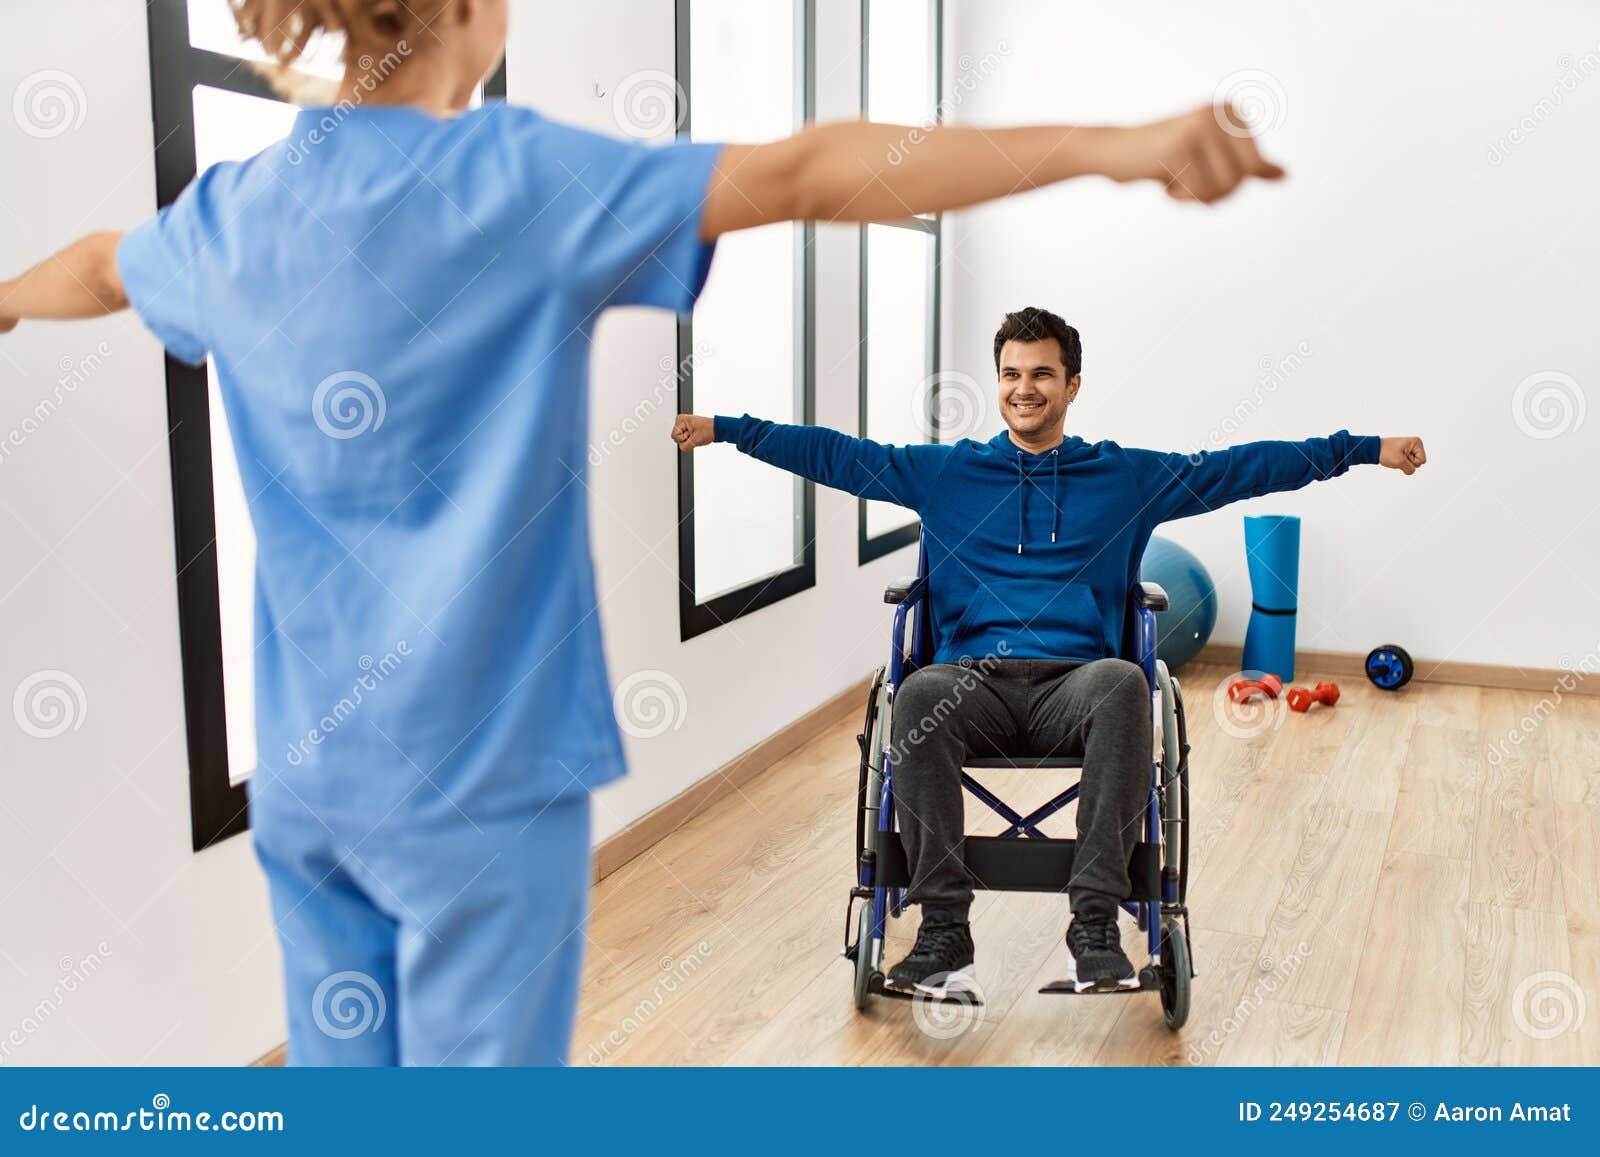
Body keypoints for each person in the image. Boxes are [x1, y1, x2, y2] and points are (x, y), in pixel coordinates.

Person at [0, 0, 1285, 1063]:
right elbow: (806, 172)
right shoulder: (517, 182)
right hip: (485, 777)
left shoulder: (232, 214)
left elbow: (101, 266)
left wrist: (3, 299)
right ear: (468, 11)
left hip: (309, 781)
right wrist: (1110, 145)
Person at [672, 306, 1426, 994]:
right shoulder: (949, 473)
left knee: (1124, 684)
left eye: (1041, 374)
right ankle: (943, 929)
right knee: (919, 692)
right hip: (971, 685)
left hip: (1077, 686)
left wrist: (1363, 450)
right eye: (1010, 374)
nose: (1023, 389)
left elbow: (1241, 467)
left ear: (1072, 385)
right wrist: (729, 428)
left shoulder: (1125, 476)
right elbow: (837, 455)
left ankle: (1094, 923)